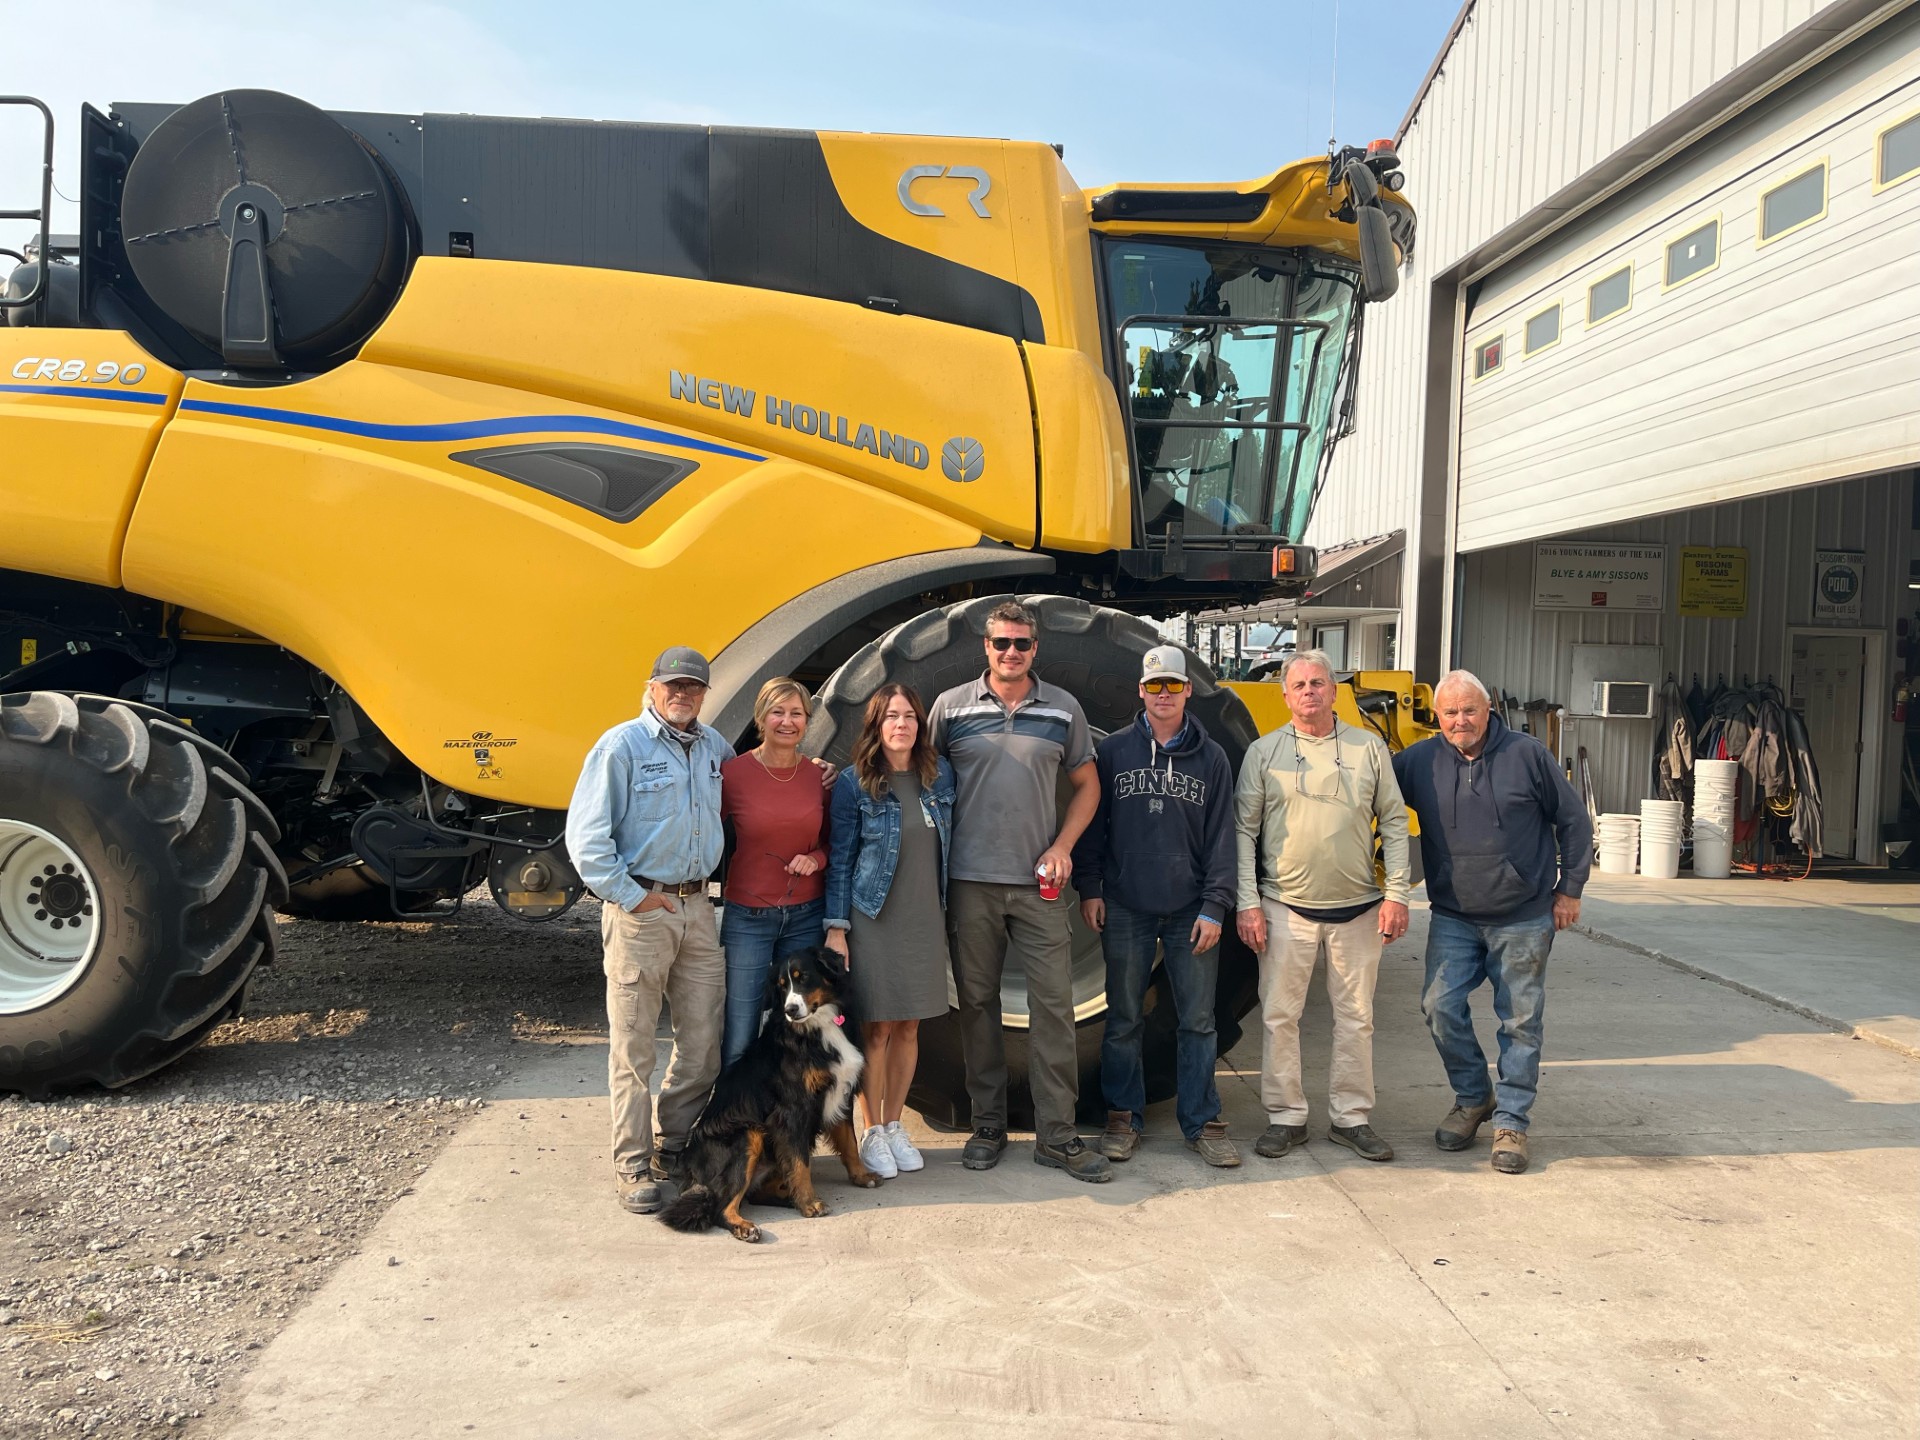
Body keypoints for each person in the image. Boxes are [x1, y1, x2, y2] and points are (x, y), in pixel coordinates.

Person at [928, 600, 1108, 1182]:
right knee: (977, 1006)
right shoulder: (950, 709)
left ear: (1036, 649)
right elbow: (915, 776)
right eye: (1002, 642)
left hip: (1038, 887)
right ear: (985, 646)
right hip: (970, 883)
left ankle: (1057, 1134)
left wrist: (1063, 848)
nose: (1011, 652)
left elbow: (1087, 785)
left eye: (1022, 644)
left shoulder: (1063, 709)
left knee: (1053, 1006)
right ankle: (987, 1126)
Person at [1392, 668, 1592, 1176]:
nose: (1461, 721)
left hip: (1523, 914)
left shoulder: (1526, 755)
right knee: (1439, 1006)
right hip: (1455, 915)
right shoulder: (1417, 762)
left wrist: (1569, 889)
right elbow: (1367, 796)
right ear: (1436, 717)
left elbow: (1573, 821)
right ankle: (1473, 1096)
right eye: (1450, 713)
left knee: (1520, 1021)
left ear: (1488, 710)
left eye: (1470, 710)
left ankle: (1511, 1123)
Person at [566, 646, 730, 1215]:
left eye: (693, 687)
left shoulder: (714, 748)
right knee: (635, 1047)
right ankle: (632, 1162)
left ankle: (675, 1144)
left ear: (705, 694)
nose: (683, 695)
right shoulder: (621, 746)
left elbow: (755, 789)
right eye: (673, 685)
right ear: (652, 686)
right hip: (642, 909)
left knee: (704, 1040)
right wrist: (634, 897)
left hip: (699, 909)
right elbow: (587, 841)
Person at [1234, 649, 1412, 1163]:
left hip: (1358, 908)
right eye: (1299, 686)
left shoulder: (1368, 748)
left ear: (1334, 691)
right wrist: (1248, 903)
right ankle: (1286, 1116)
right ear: (1285, 696)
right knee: (1279, 1016)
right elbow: (1242, 832)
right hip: (1283, 906)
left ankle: (1351, 1117)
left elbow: (1395, 823)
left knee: (1356, 1017)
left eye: (1318, 683)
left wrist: (1397, 893)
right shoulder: (1263, 754)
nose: (1309, 692)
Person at [1073, 645, 1239, 1167]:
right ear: (1140, 691)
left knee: (1198, 1020)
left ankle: (1203, 1121)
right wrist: (1091, 887)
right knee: (1123, 1018)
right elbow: (1093, 826)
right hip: (1125, 906)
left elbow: (1222, 839)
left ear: (1188, 690)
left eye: (1172, 685)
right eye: (1153, 686)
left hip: (1191, 908)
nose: (1163, 694)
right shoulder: (1115, 752)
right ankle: (1123, 1117)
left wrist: (1216, 906)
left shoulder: (1212, 758)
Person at [822, 683, 956, 1179]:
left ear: (920, 725)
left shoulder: (940, 779)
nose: (901, 725)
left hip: (924, 918)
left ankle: (896, 1124)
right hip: (872, 919)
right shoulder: (855, 784)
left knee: (910, 1026)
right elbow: (840, 861)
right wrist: (837, 930)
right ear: (877, 725)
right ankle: (872, 1129)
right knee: (876, 1030)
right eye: (891, 716)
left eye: (909, 716)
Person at [719, 678, 830, 1067]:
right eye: (777, 712)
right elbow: (700, 833)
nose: (787, 721)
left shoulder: (820, 778)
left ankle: (786, 1120)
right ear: (760, 718)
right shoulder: (732, 775)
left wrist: (816, 858)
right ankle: (735, 1122)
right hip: (747, 916)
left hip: (806, 916)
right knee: (741, 1029)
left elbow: (837, 842)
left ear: (807, 720)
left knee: (798, 1029)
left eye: (796, 713)